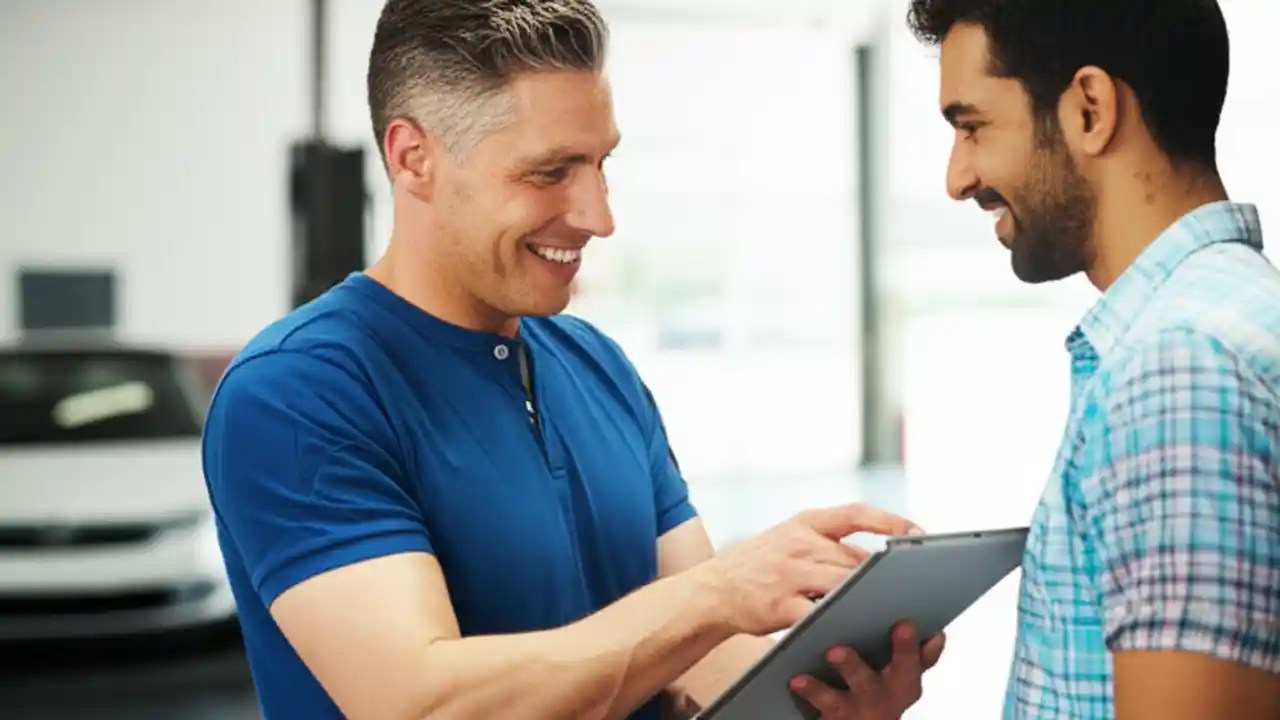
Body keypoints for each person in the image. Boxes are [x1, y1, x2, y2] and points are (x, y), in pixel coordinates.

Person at [202, 2, 944, 718]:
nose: (599, 215)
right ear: (413, 158)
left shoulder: (597, 365)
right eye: (550, 171)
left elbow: (699, 662)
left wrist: (819, 695)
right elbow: (422, 705)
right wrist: (718, 593)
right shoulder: (298, 393)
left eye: (600, 163)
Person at [906, 0, 1280, 718]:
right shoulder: (1233, 315)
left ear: (1088, 109)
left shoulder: (1179, 369)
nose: (958, 177)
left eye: (972, 126)